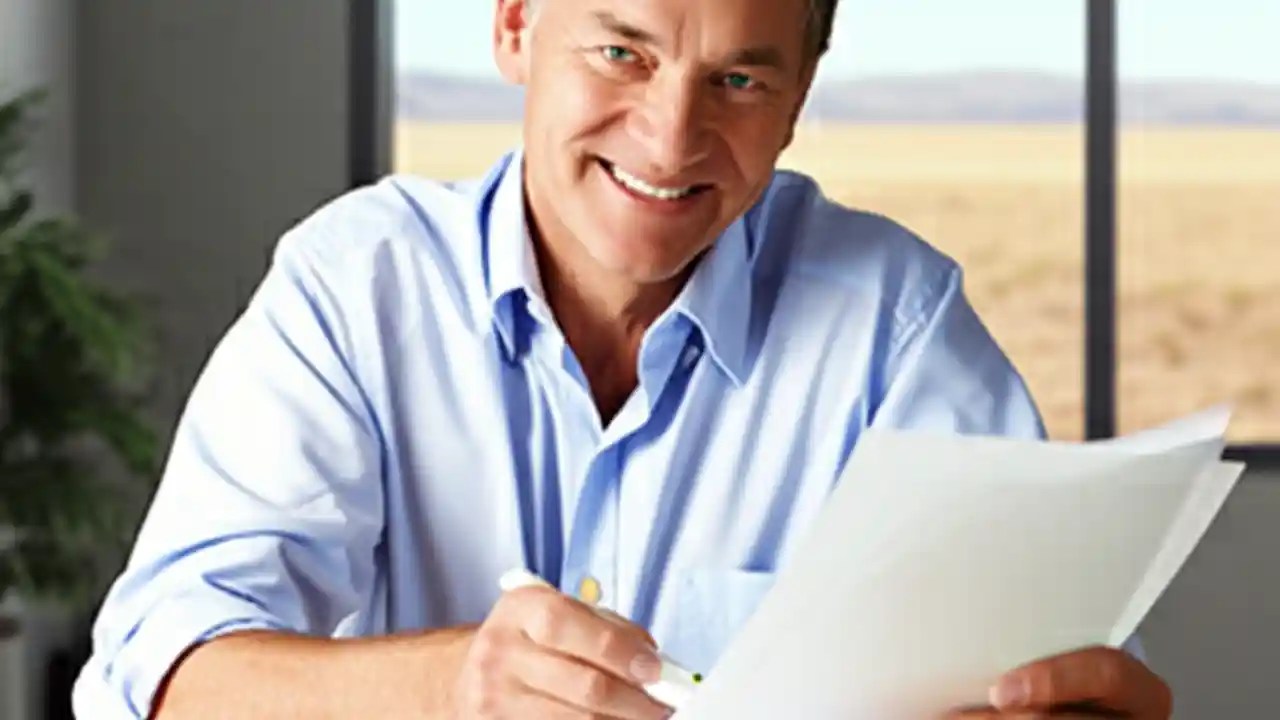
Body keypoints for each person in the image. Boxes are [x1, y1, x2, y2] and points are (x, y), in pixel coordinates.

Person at [74, 0, 1174, 717]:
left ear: (795, 99)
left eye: (738, 82)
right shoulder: (355, 286)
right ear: (512, 28)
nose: (668, 137)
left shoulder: (895, 323)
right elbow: (161, 677)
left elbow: (1028, 668)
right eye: (620, 52)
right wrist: (452, 686)